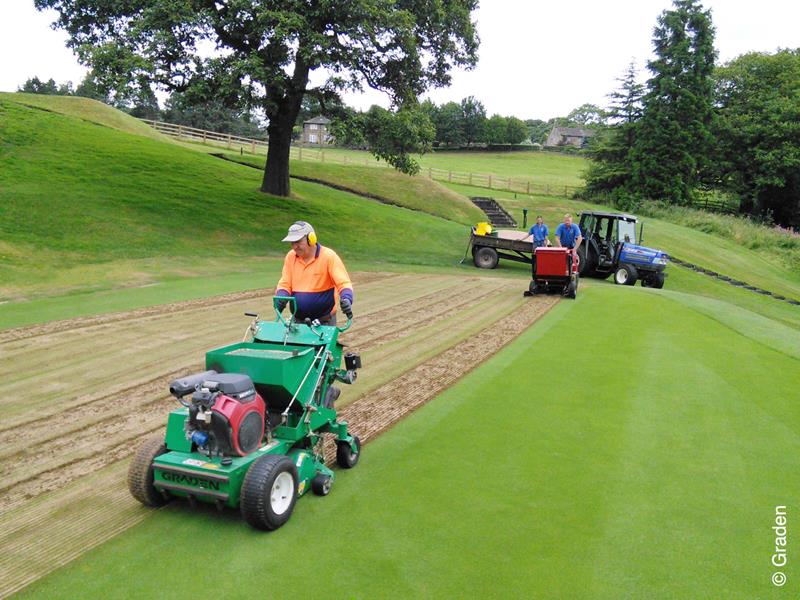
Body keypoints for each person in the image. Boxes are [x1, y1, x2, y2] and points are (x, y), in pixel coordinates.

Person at [275, 221, 354, 326]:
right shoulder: (291, 257)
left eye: (298, 241)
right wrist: (281, 297)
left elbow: (343, 283)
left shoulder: (328, 257)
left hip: (324, 322)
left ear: (311, 239)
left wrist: (347, 298)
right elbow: (285, 283)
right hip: (298, 321)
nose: (295, 246)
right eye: (292, 243)